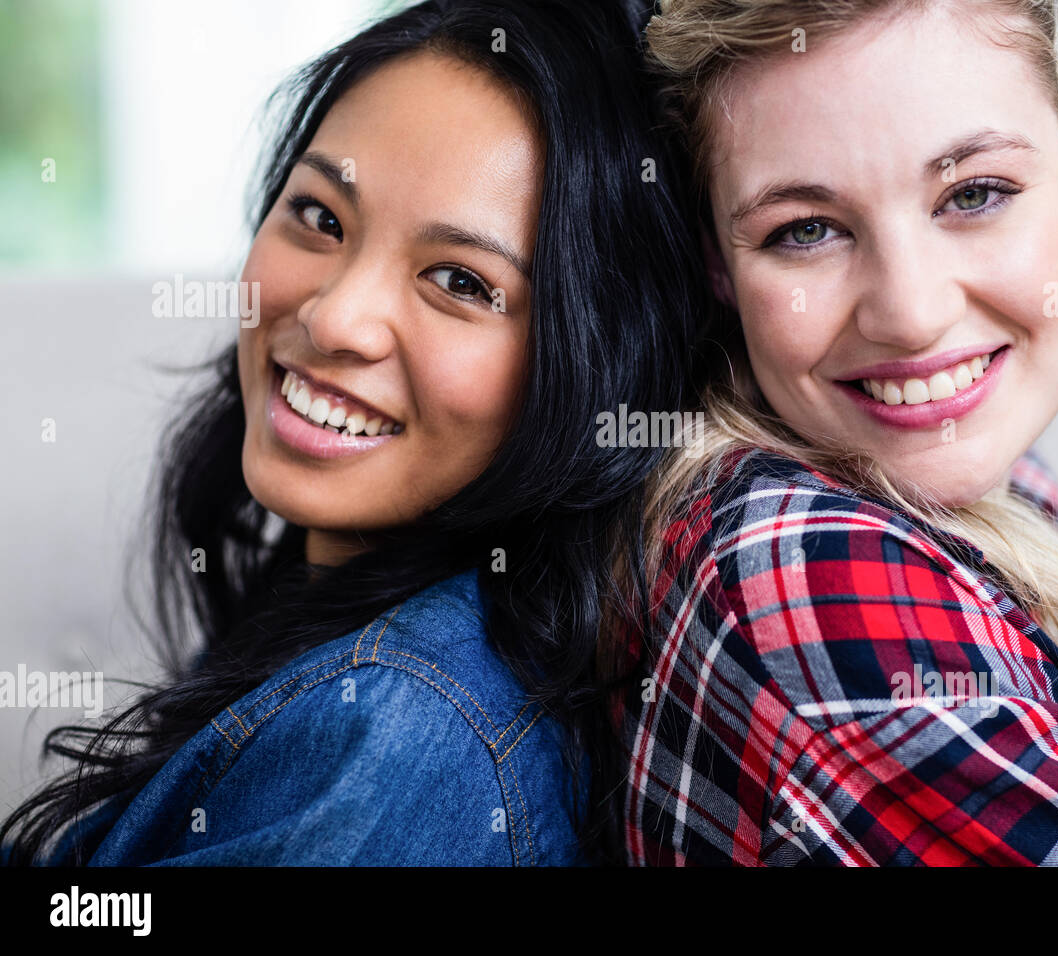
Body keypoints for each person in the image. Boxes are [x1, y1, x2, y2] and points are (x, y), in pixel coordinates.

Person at [1, 0, 703, 866]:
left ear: (593, 361)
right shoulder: (353, 637)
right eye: (321, 217)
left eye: (460, 281)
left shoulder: (394, 733)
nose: (334, 318)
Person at [607, 0, 1058, 865]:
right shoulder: (807, 568)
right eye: (806, 230)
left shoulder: (994, 482)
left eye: (974, 194)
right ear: (717, 262)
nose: (912, 314)